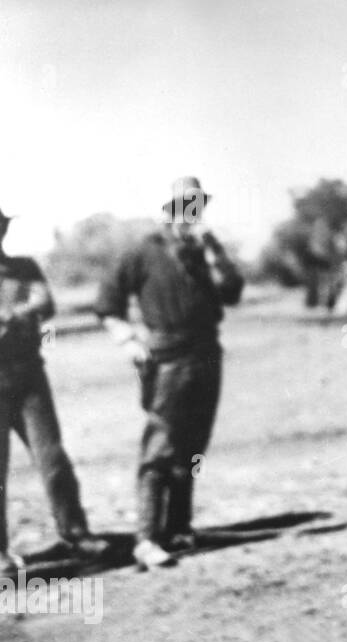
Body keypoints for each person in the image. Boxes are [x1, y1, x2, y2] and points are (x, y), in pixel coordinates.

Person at [93, 177, 244, 571]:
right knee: (161, 447)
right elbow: (107, 303)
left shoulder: (204, 251)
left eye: (196, 205)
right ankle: (145, 539)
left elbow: (232, 292)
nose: (190, 213)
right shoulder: (145, 250)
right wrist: (128, 339)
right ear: (170, 209)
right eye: (183, 205)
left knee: (195, 447)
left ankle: (179, 528)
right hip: (167, 358)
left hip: (206, 352)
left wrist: (213, 250)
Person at [0, 209, 109, 577]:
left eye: (1, 226)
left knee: (53, 458)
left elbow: (45, 304)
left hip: (30, 377)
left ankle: (76, 534)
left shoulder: (24, 267)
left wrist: (12, 313)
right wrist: (18, 312)